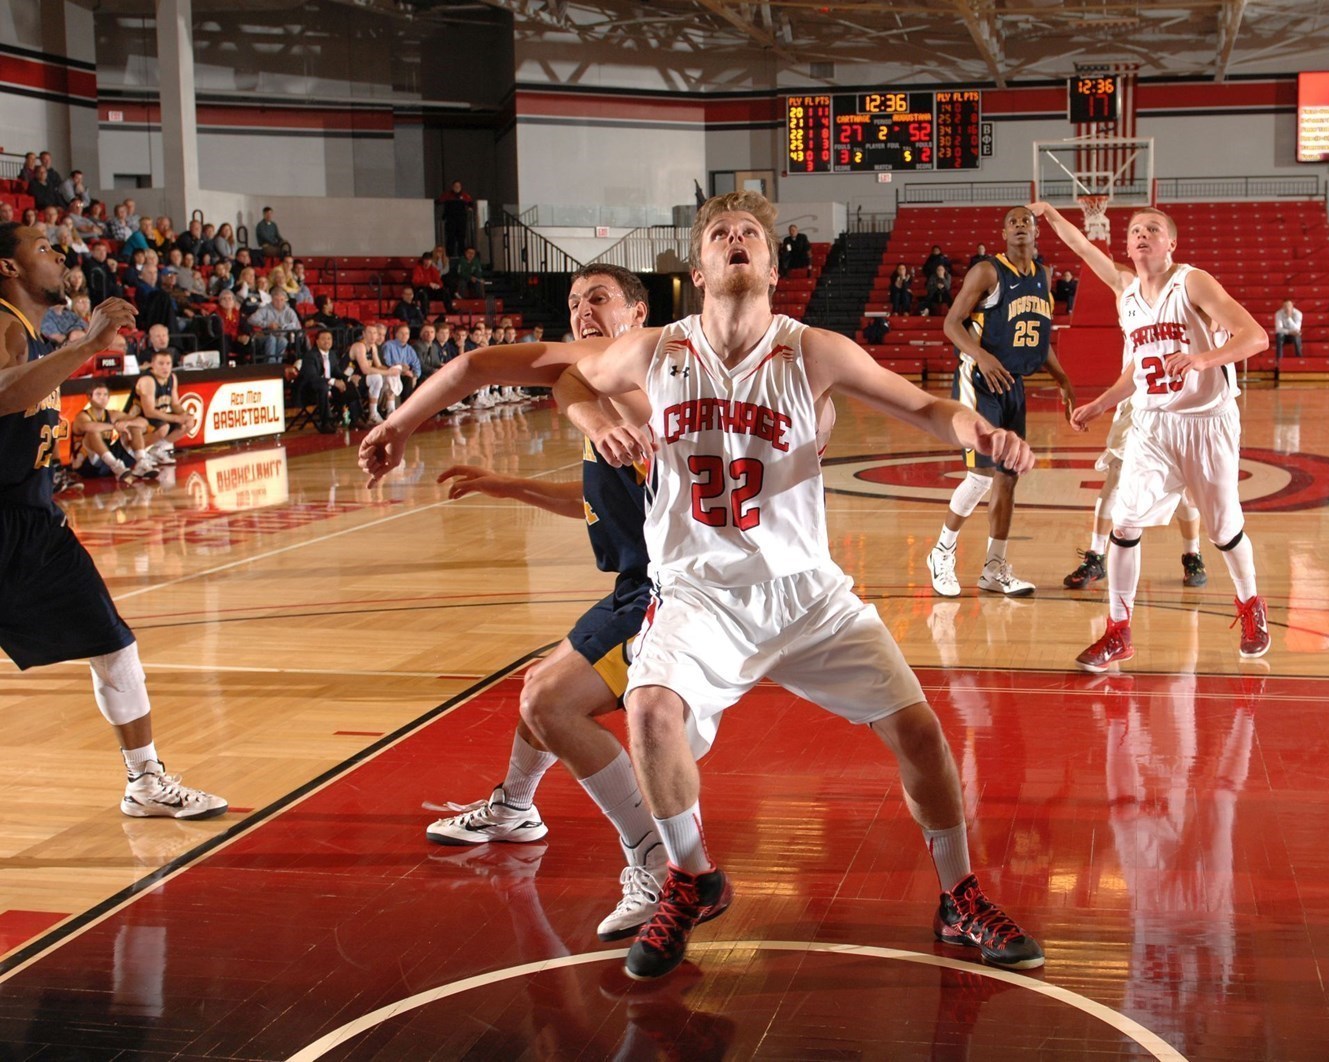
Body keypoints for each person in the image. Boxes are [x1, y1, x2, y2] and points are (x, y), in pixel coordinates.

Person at [555, 191, 1045, 981]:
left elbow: (923, 403)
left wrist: (977, 430)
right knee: (648, 712)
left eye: (751, 232)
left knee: (919, 733)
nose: (736, 240)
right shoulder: (653, 351)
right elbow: (573, 380)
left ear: (774, 264)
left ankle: (959, 897)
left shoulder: (812, 349)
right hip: (699, 593)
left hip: (806, 592)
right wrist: (594, 422)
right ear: (699, 265)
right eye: (720, 234)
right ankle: (691, 877)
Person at [361, 264, 680, 941]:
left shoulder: (645, 373)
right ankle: (513, 809)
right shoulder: (599, 379)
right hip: (639, 586)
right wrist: (508, 485)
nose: (583, 311)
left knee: (548, 701)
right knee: (540, 685)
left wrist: (400, 423)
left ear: (638, 309)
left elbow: (482, 365)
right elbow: (598, 497)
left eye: (598, 297)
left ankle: (654, 860)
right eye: (573, 302)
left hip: (678, 593)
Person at [0, 222, 226, 817]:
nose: (58, 255)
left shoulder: (29, 331)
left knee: (113, 644)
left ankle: (145, 782)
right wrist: (87, 345)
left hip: (34, 524)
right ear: (9, 268)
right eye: (42, 248)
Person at [1030, 200, 1271, 669]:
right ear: (1128, 244)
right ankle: (1118, 631)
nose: (1142, 235)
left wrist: (1202, 359)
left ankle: (1251, 605)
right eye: (1136, 230)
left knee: (1223, 530)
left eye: (1153, 229)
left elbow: (1256, 336)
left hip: (1207, 423)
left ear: (1171, 243)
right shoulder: (1126, 292)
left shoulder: (1192, 281)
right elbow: (1137, 363)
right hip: (1152, 425)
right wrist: (1102, 402)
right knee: (1124, 524)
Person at [925, 207, 1072, 599]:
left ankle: (994, 567)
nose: (1021, 225)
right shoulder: (988, 271)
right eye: (1013, 221)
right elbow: (951, 323)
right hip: (978, 380)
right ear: (1004, 232)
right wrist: (984, 357)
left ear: (1037, 231)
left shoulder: (1042, 277)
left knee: (1008, 478)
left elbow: (1039, 342)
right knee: (980, 476)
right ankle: (941, 552)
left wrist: (1063, 380)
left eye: (1027, 221)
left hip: (1014, 385)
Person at [1060, 336, 1209, 593]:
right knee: (1116, 479)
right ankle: (1096, 555)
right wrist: (1101, 403)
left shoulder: (1187, 300)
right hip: (1137, 399)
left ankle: (1192, 554)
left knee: (1182, 489)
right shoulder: (1129, 298)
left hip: (1179, 401)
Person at [71, 381, 156, 480]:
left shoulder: (112, 414)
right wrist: (114, 426)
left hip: (108, 459)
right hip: (87, 465)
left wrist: (127, 424)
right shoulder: (82, 416)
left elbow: (144, 422)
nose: (103, 398)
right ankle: (115, 465)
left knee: (134, 426)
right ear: (89, 397)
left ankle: (141, 462)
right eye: (98, 395)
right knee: (93, 432)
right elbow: (88, 427)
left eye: (105, 395)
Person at [124, 348, 195, 463]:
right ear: (152, 364)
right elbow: (149, 412)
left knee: (187, 423)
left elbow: (175, 404)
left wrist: (185, 414)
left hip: (156, 417)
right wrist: (176, 418)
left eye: (168, 364)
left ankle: (156, 450)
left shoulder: (172, 378)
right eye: (161, 363)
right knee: (163, 427)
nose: (165, 367)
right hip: (136, 418)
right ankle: (135, 452)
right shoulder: (148, 380)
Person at [298, 328, 360, 432]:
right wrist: (333, 382)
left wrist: (349, 378)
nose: (327, 341)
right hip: (310, 390)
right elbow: (312, 377)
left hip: (329, 386)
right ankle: (325, 423)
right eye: (323, 339)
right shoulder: (310, 356)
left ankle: (355, 419)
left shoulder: (332, 354)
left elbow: (337, 372)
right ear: (317, 341)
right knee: (323, 387)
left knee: (349, 384)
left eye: (329, 338)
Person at [437, 180, 476, 259]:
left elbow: (471, 203)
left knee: (461, 237)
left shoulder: (465, 196)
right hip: (450, 219)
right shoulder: (447, 195)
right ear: (452, 187)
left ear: (461, 187)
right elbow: (438, 201)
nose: (457, 188)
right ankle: (449, 255)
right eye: (455, 186)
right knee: (450, 237)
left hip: (461, 220)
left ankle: (461, 255)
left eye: (458, 186)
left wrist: (470, 208)